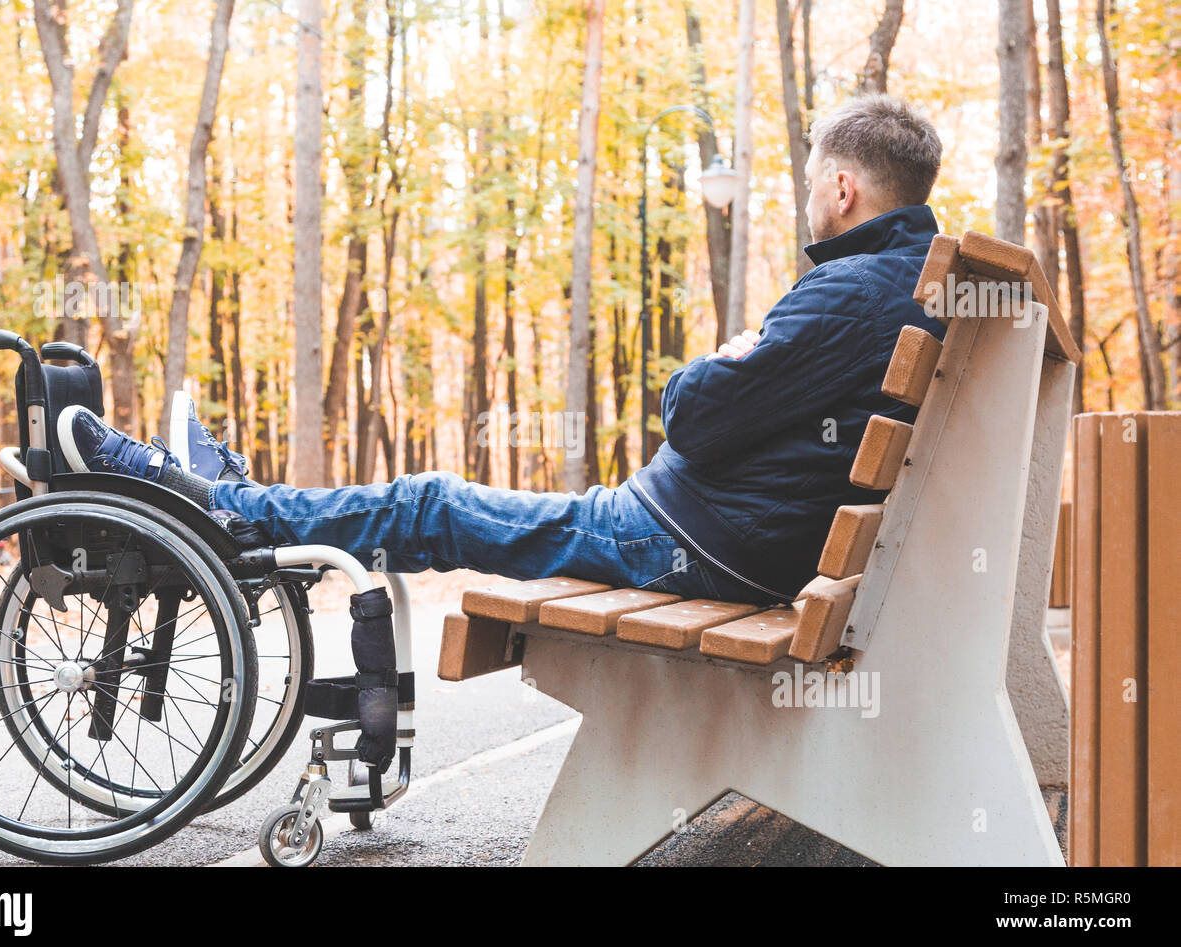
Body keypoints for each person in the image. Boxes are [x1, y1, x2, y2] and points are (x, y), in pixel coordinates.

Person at [56, 93, 945, 608]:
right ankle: (239, 501)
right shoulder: (919, 282)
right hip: (732, 536)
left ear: (841, 185)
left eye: (810, 187)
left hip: (694, 543)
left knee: (431, 503)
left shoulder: (851, 293)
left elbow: (695, 420)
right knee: (437, 501)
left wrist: (721, 358)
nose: (808, 205)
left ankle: (226, 507)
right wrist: (746, 361)